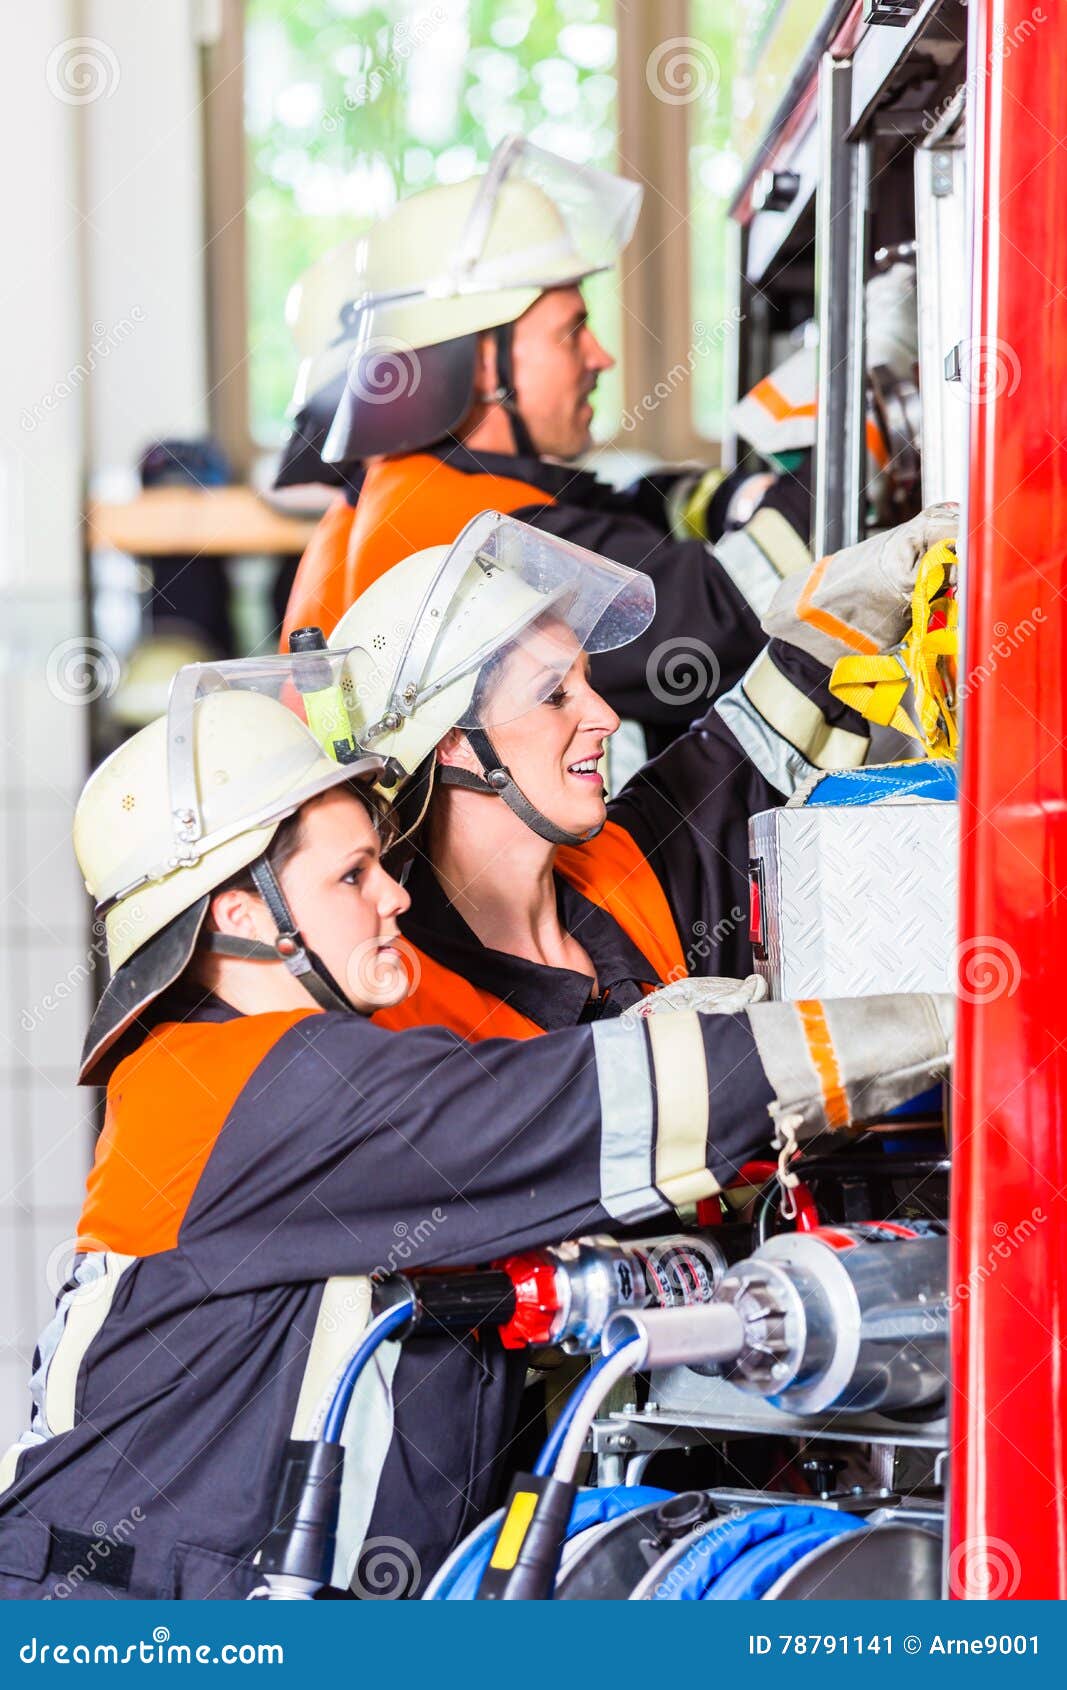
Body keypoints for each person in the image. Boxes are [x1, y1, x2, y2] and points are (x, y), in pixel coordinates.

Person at [0, 654, 951, 1600]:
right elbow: (573, 1116)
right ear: (245, 913)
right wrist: (946, 1020)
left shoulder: (249, 1068)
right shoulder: (251, 1086)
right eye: (353, 876)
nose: (395, 899)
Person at [327, 504, 957, 1040]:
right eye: (554, 694)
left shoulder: (621, 868)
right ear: (451, 745)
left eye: (589, 684)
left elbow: (754, 741)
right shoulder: (404, 1012)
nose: (606, 716)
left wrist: (860, 597)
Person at [277, 136, 813, 753]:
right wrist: (863, 441)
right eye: (572, 331)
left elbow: (616, 514)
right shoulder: (473, 542)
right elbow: (728, 618)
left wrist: (732, 497)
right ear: (482, 362)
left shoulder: (421, 490)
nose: (601, 356)